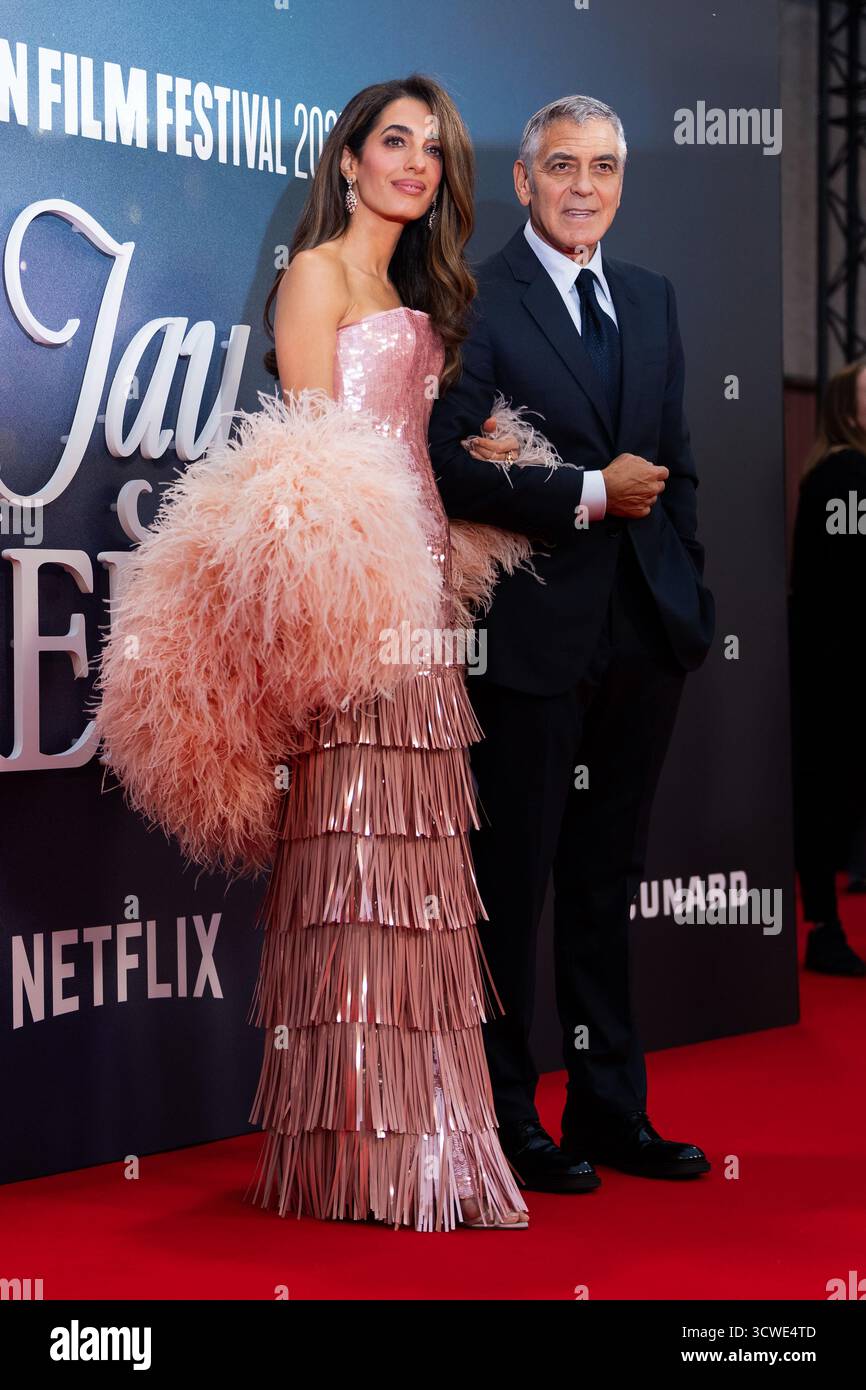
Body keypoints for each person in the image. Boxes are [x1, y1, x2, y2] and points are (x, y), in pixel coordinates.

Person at [90, 74, 544, 1231]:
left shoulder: (410, 288)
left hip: (426, 609)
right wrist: (362, 584)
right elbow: (302, 460)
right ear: (345, 161)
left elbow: (416, 447)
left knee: (417, 879)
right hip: (355, 608)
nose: (412, 164)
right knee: (348, 862)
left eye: (431, 151)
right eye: (391, 142)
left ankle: (416, 1143)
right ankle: (359, 1151)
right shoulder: (315, 275)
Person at [428, 95, 716, 1190]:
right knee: (513, 881)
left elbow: (676, 459)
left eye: (602, 165)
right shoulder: (477, 297)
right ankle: (506, 1117)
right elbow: (443, 460)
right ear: (523, 181)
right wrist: (589, 494)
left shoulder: (648, 298)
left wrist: (685, 593)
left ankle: (607, 1106)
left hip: (644, 636)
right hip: (530, 640)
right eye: (561, 165)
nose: (583, 185)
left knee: (605, 880)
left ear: (621, 180)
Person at [790, 358, 866, 977]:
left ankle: (825, 925)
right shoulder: (843, 475)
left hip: (834, 670)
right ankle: (824, 929)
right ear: (847, 407)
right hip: (837, 674)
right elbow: (843, 585)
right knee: (826, 799)